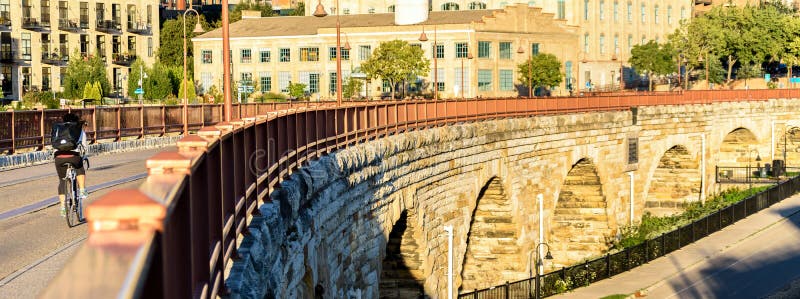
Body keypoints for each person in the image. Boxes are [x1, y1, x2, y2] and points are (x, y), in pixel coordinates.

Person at [54, 113, 88, 217]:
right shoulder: (79, 130)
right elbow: (84, 147)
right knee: (80, 168)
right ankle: (82, 190)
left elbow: (54, 144)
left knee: (62, 180)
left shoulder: (58, 130)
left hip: (59, 158)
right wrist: (84, 156)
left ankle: (63, 207)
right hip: (74, 156)